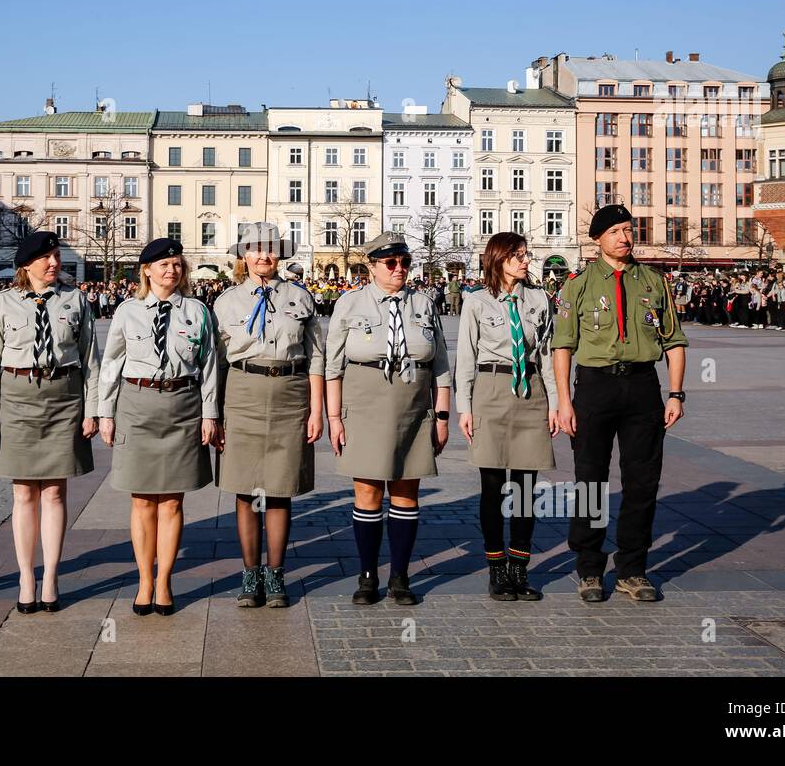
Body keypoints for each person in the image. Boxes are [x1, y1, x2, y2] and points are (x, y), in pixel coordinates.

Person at [552, 205, 688, 603]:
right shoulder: (576, 285)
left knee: (642, 481)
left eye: (629, 230)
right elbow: (563, 346)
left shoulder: (654, 282)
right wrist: (564, 401)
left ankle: (633, 569)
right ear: (598, 238)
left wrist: (676, 393)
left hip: (643, 387)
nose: (625, 238)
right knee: (591, 479)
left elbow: (674, 341)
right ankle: (590, 568)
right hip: (594, 388)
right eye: (615, 231)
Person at [325, 231, 451, 606]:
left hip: (412, 404)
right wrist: (335, 416)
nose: (400, 270)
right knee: (367, 492)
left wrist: (441, 415)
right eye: (391, 263)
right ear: (372, 266)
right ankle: (367, 575)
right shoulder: (349, 304)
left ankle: (400, 574)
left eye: (405, 263)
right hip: (364, 400)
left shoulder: (424, 303)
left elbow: (440, 364)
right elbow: (332, 365)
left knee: (406, 492)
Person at [0, 231, 100, 612]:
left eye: (57, 256)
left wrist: (92, 409)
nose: (54, 264)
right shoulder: (2, 303)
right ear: (25, 264)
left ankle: (51, 575)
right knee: (24, 492)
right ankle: (26, 575)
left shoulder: (74, 299)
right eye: (46, 258)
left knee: (55, 492)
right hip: (17, 399)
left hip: (63, 395)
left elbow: (91, 359)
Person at [98, 238, 219, 616]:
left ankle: (164, 580)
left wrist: (210, 413)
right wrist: (105, 412)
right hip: (137, 404)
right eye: (163, 264)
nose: (172, 270)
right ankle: (144, 580)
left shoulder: (198, 311)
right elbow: (111, 364)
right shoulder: (127, 311)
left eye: (177, 264)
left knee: (171, 500)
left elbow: (211, 365)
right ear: (146, 271)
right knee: (141, 499)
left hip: (183, 404)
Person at [213, 223, 325, 608]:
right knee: (246, 490)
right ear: (243, 256)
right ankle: (249, 575)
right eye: (255, 249)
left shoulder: (300, 297)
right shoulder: (225, 302)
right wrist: (213, 414)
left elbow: (317, 358)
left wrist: (317, 409)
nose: (263, 256)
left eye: (271, 249)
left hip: (290, 393)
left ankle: (275, 575)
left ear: (281, 254)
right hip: (242, 392)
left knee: (280, 488)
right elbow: (215, 364)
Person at [454, 232, 559, 601]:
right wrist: (464, 407)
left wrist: (557, 402)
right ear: (498, 259)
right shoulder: (477, 302)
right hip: (491, 389)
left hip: (530, 392)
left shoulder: (539, 299)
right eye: (517, 255)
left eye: (526, 255)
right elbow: (465, 357)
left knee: (527, 488)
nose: (525, 261)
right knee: (493, 486)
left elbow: (546, 355)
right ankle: (496, 569)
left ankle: (520, 568)